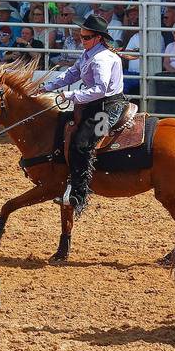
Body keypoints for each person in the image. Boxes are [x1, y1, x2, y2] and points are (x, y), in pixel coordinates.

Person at [40, 13, 126, 217]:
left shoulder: (102, 58)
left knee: (82, 143)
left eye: (86, 38)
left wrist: (70, 95)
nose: (82, 40)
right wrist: (49, 86)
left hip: (108, 107)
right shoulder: (89, 54)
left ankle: (79, 193)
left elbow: (100, 89)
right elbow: (72, 73)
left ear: (97, 38)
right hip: (94, 105)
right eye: (81, 36)